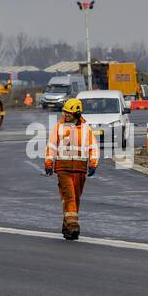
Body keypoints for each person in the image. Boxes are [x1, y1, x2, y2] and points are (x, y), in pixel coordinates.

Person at [44, 98, 99, 240]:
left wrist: (93, 163)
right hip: (63, 168)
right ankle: (73, 225)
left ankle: (67, 227)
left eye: (68, 112)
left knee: (76, 198)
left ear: (77, 113)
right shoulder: (59, 127)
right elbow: (51, 146)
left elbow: (93, 147)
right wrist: (49, 162)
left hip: (80, 169)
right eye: (64, 112)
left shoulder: (86, 129)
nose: (65, 115)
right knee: (69, 196)